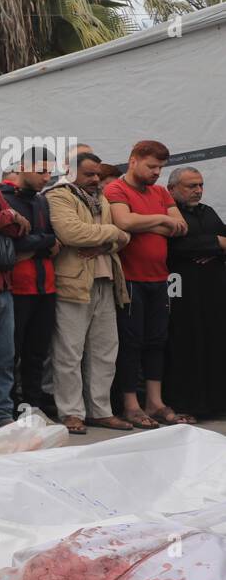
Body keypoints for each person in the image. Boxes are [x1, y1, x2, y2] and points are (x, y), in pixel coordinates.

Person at [104, 140, 192, 428]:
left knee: (157, 341)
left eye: (161, 168)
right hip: (130, 279)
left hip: (158, 278)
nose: (157, 173)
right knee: (131, 342)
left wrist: (147, 222)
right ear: (133, 161)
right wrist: (159, 220)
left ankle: (155, 402)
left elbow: (181, 226)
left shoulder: (160, 191)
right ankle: (130, 404)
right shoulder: (116, 188)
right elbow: (124, 222)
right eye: (152, 166)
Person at [45, 151, 131, 434]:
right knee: (69, 351)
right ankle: (71, 413)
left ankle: (100, 411)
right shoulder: (58, 195)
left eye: (97, 174)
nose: (95, 179)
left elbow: (125, 237)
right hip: (73, 283)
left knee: (105, 351)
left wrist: (106, 243)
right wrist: (112, 233)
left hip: (105, 280)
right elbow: (72, 233)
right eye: (89, 174)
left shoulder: (101, 198)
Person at [0, 147, 59, 415]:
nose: (46, 177)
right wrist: (42, 242)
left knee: (37, 352)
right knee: (11, 352)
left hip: (46, 286)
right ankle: (8, 406)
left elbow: (55, 238)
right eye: (41, 171)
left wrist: (37, 244)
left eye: (49, 172)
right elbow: (14, 241)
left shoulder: (42, 201)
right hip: (17, 287)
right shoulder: (2, 197)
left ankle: (33, 405)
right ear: (23, 167)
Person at [163, 166, 226, 420]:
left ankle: (217, 402)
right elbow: (175, 247)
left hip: (213, 289)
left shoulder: (207, 211)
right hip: (181, 291)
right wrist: (215, 245)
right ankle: (186, 404)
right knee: (185, 344)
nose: (198, 191)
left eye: (200, 185)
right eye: (191, 186)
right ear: (172, 189)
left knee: (215, 341)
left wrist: (212, 246)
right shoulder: (165, 214)